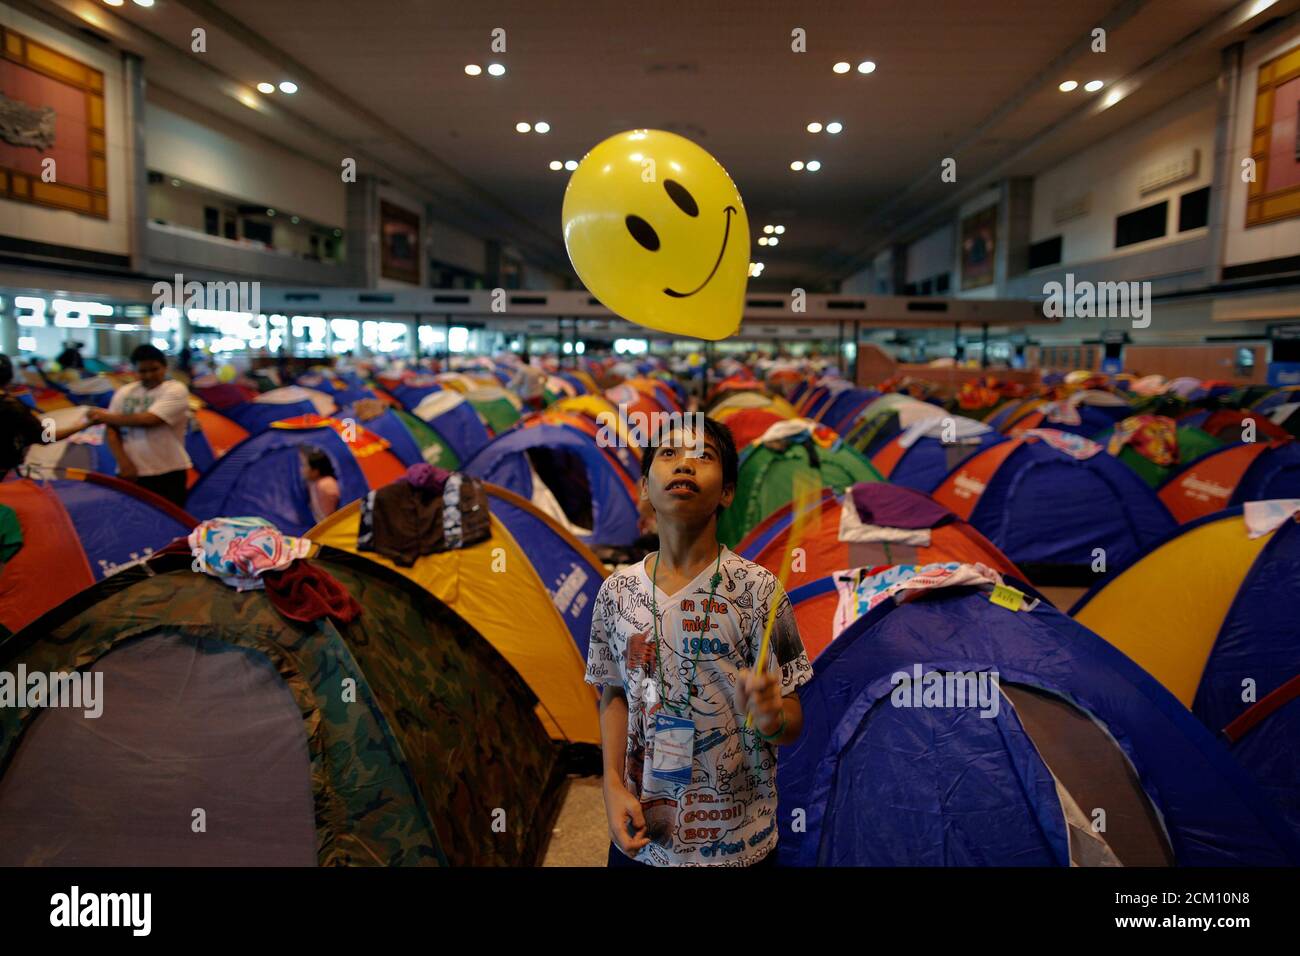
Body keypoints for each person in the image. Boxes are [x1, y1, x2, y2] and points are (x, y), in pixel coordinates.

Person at [585, 416, 812, 868]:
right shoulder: (615, 592)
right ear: (644, 488)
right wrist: (611, 784)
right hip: (643, 841)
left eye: (703, 456)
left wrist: (769, 716)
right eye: (668, 454)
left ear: (726, 492)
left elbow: (793, 722)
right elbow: (614, 694)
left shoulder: (760, 591)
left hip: (740, 844)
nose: (684, 465)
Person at [87, 345, 192, 507]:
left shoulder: (175, 390)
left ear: (165, 367)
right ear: (134, 370)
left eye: (154, 369)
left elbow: (150, 420)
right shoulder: (124, 392)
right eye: (143, 371)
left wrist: (107, 417)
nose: (149, 375)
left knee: (171, 522)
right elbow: (111, 429)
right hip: (132, 471)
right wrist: (123, 463)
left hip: (169, 470)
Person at [0, 353, 90, 477]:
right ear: (9, 377)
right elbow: (45, 438)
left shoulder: (14, 405)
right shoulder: (12, 407)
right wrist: (83, 425)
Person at [301, 447, 340, 523]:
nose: (303, 469)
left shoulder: (324, 484)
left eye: (306, 466)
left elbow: (327, 515)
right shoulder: (315, 483)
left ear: (315, 471)